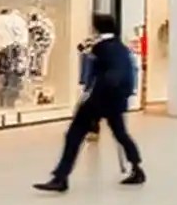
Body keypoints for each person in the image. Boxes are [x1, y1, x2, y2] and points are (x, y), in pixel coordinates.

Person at [34, 14, 144, 193]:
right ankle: (137, 167)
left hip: (99, 99)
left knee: (74, 134)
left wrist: (91, 97)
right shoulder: (119, 47)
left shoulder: (102, 48)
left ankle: (61, 177)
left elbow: (103, 75)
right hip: (115, 100)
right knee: (121, 134)